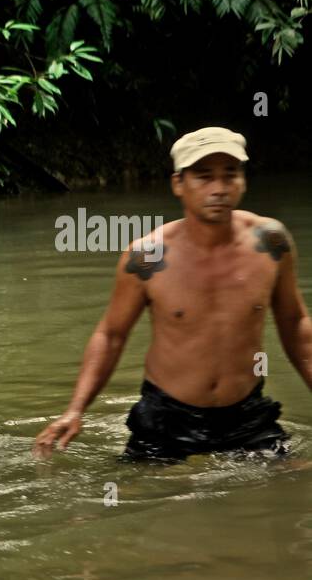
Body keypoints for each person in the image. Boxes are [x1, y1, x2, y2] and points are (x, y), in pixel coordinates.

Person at [35, 127, 312, 462]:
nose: (219, 189)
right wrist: (74, 410)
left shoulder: (271, 243)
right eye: (204, 177)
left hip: (247, 416)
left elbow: (296, 324)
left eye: (230, 175)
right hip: (168, 420)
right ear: (178, 184)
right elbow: (111, 335)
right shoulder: (148, 256)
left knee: (290, 482)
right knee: (149, 499)